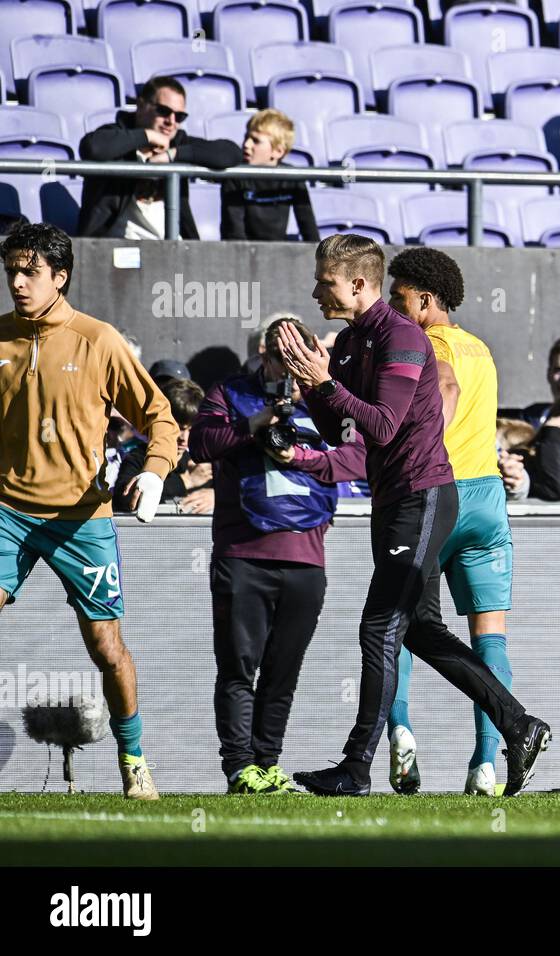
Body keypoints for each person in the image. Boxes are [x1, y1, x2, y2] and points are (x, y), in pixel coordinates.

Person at [273, 234, 550, 797]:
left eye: (324, 281)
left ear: (358, 284)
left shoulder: (403, 336)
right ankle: (519, 725)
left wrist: (326, 383)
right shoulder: (351, 343)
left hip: (425, 496)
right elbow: (345, 432)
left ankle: (356, 767)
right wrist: (313, 392)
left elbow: (382, 425)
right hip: (394, 498)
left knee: (379, 627)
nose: (314, 290)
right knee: (421, 630)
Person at [0, 223, 180, 799]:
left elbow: (161, 417)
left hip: (83, 519)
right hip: (7, 510)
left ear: (61, 276)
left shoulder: (98, 340)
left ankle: (134, 760)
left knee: (107, 647)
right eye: (11, 271)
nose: (18, 282)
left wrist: (154, 471)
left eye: (30, 271)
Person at [189, 315, 367, 794]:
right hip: (242, 553)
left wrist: (303, 456)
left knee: (283, 671)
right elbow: (201, 443)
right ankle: (239, 766)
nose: (288, 369)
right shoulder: (231, 391)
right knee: (238, 667)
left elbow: (358, 455)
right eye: (279, 358)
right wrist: (257, 423)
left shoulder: (329, 399)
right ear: (262, 355)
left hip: (307, 557)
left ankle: (267, 763)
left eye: (297, 358)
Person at [383, 247, 529, 797]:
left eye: (398, 298)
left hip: (439, 493)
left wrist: (419, 447)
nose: (394, 308)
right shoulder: (481, 347)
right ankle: (486, 764)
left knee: (395, 625)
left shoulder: (426, 342)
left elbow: (444, 388)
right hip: (488, 499)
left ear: (424, 298)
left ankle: (400, 731)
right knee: (490, 637)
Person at [77, 76, 242, 239]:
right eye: (164, 111)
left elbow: (231, 153)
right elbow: (92, 148)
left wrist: (173, 154)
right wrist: (147, 136)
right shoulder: (116, 136)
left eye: (179, 116)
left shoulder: (178, 143)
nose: (171, 121)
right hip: (118, 249)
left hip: (172, 249)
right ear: (141, 106)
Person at [113, 377, 214, 516]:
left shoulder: (203, 465)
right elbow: (123, 500)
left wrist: (216, 496)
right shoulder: (139, 458)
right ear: (161, 423)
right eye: (178, 428)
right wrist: (185, 482)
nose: (183, 438)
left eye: (191, 429)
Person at [221, 109, 320, 242]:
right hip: (243, 255)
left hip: (277, 254)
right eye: (246, 137)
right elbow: (234, 234)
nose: (246, 144)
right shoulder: (235, 176)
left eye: (255, 141)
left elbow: (309, 228)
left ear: (278, 151)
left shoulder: (292, 177)